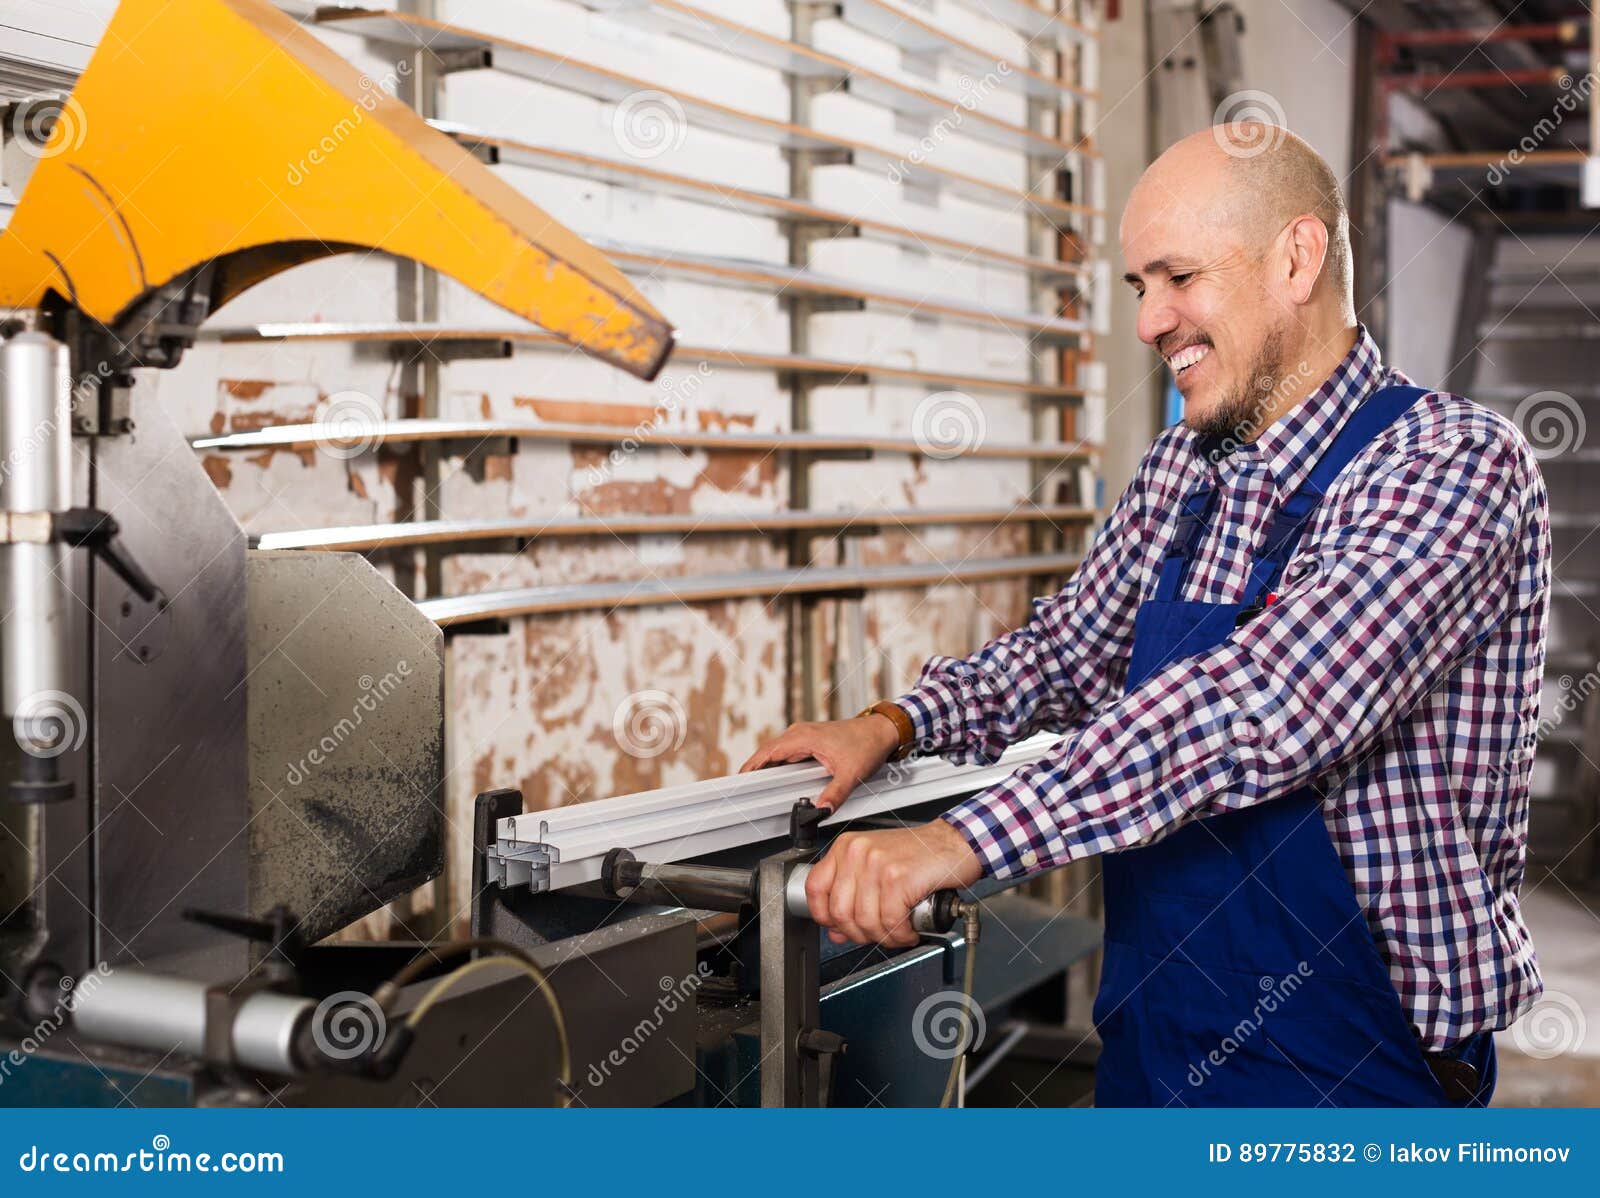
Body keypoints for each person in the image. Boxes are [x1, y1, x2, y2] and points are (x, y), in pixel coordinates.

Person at [739, 123, 1549, 1107]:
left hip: (1347, 1073)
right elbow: (1069, 654)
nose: (1148, 321)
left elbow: (1264, 704)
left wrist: (956, 840)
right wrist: (892, 725)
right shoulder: (1184, 471)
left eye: (1176, 277)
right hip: (1158, 1041)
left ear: (1296, 258)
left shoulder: (1451, 463)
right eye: (1138, 288)